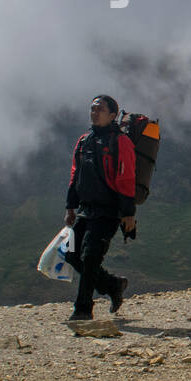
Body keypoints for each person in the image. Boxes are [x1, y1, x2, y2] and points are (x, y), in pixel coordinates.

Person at [63, 95, 135, 320]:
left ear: (113, 115)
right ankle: (112, 285)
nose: (94, 112)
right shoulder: (84, 141)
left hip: (108, 211)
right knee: (71, 254)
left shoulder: (120, 142)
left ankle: (82, 310)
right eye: (93, 109)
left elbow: (126, 178)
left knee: (90, 257)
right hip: (86, 210)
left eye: (100, 109)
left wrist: (128, 214)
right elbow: (76, 175)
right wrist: (71, 207)